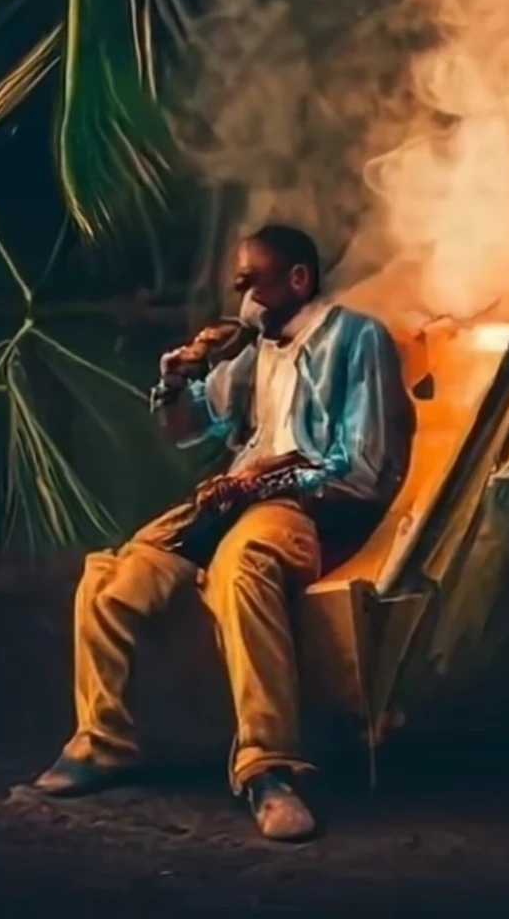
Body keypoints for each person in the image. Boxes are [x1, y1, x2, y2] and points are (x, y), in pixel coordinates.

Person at [30, 224, 415, 842]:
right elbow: (191, 429)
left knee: (242, 567)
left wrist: (269, 479)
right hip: (230, 500)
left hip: (298, 507)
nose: (239, 292)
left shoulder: (354, 338)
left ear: (297, 279)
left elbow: (363, 465)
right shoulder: (255, 351)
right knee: (115, 575)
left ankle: (270, 770)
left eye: (249, 279)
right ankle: (103, 740)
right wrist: (176, 378)